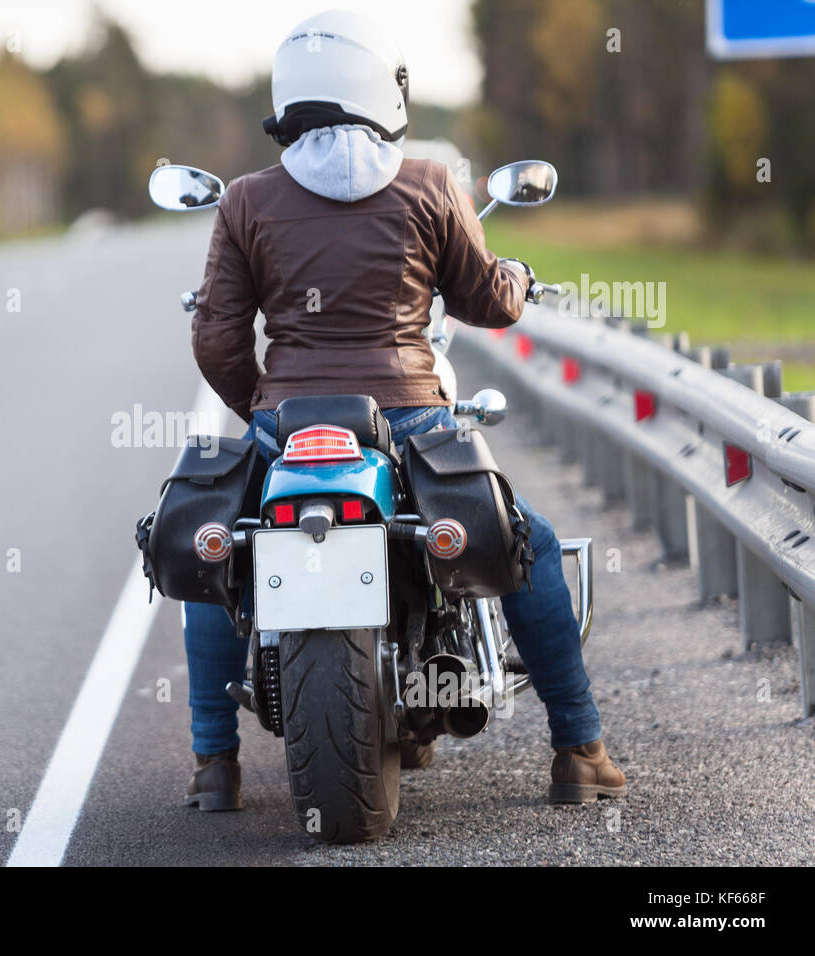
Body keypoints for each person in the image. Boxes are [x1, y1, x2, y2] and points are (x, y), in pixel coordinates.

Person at [182, 8, 626, 813]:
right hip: (413, 419)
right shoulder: (429, 184)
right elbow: (487, 302)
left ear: (293, 96)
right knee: (529, 544)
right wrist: (519, 277)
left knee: (222, 553)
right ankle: (580, 748)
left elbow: (216, 338)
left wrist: (265, 411)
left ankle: (215, 764)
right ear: (382, 86)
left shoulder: (246, 200)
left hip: (288, 422)